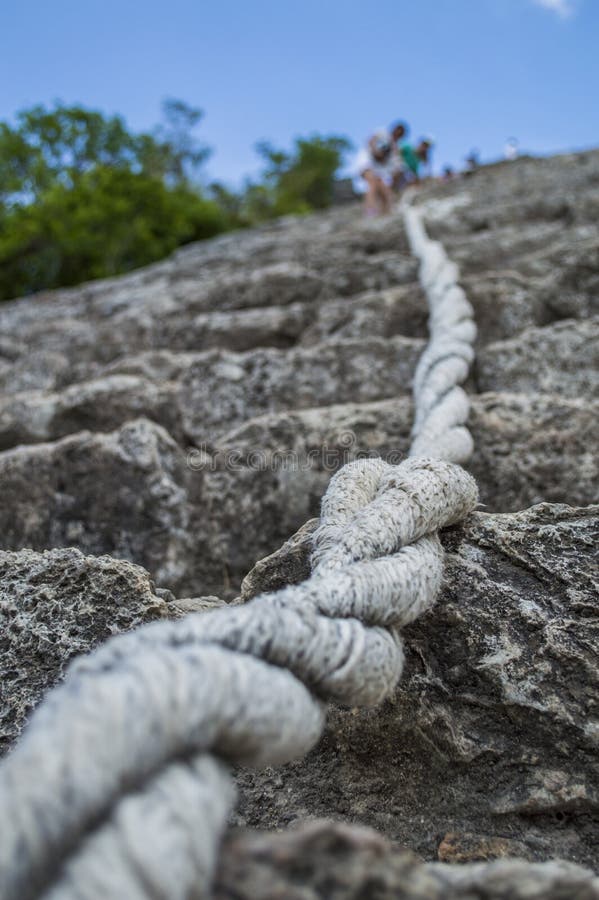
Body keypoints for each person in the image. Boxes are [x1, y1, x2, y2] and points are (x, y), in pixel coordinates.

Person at [354, 121, 407, 216]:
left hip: (379, 168)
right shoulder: (382, 132)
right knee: (372, 183)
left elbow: (396, 166)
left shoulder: (396, 149)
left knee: (385, 189)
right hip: (367, 162)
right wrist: (377, 152)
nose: (397, 135)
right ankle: (370, 211)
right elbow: (371, 141)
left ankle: (386, 212)